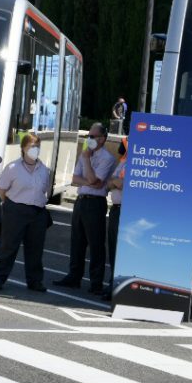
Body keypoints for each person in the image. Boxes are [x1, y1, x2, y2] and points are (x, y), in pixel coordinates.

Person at [55, 122, 118, 295]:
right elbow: (76, 178)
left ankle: (96, 282)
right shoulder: (85, 154)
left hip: (96, 203)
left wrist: (86, 162)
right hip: (81, 199)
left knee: (95, 243)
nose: (89, 139)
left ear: (102, 139)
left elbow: (95, 181)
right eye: (88, 136)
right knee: (77, 240)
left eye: (92, 136)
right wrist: (89, 178)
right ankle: (74, 276)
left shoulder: (107, 158)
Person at [0, 134, 52, 292]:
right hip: (16, 210)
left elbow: (44, 191)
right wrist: (11, 204)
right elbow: (2, 190)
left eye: (37, 146)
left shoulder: (44, 169)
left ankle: (35, 281)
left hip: (37, 213)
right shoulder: (12, 168)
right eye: (31, 146)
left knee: (35, 249)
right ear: (23, 148)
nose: (35, 149)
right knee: (9, 247)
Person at [101, 140, 128, 300]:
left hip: (126, 210)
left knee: (121, 251)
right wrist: (116, 183)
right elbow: (111, 182)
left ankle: (117, 287)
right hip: (116, 209)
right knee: (113, 249)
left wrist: (118, 183)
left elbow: (124, 183)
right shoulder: (123, 161)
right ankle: (112, 283)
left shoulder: (139, 162)